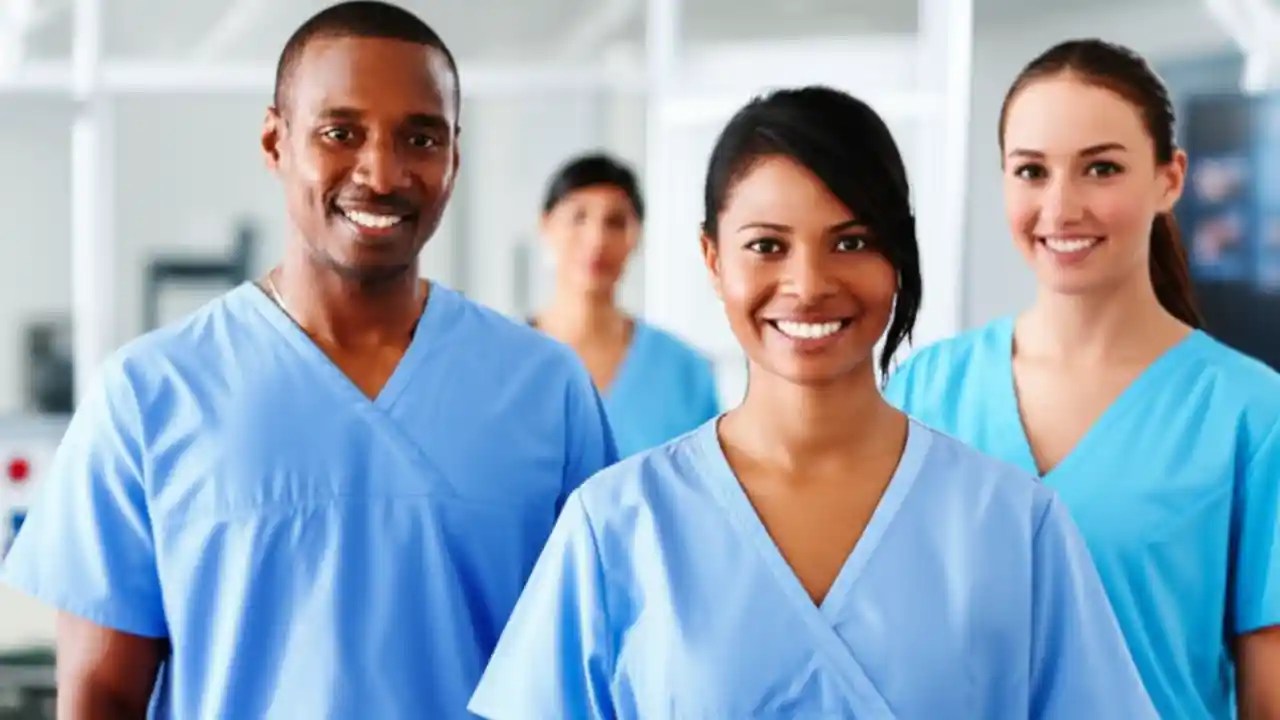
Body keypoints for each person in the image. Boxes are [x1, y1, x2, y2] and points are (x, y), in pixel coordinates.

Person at [0, 2, 616, 718]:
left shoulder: (544, 391)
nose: (382, 171)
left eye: (420, 137)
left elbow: (596, 669)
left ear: (453, 157)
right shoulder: (149, 396)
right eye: (339, 132)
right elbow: (101, 694)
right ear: (275, 141)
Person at [468, 86, 1156, 719]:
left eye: (851, 242)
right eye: (767, 246)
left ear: (898, 258)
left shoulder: (1013, 525)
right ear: (712, 259)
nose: (808, 283)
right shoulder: (617, 524)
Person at [885, 39, 1280, 719]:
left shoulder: (1251, 414)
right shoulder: (924, 392)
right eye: (1032, 171)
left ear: (1170, 179)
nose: (1061, 207)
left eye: (1100, 168)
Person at [532, 153, 720, 458]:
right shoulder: (499, 363)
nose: (597, 239)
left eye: (616, 222)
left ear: (637, 237)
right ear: (546, 226)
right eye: (579, 217)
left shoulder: (685, 371)